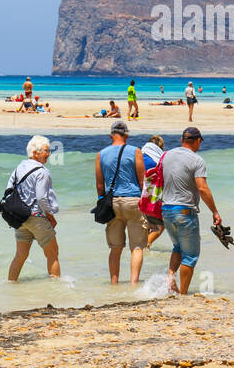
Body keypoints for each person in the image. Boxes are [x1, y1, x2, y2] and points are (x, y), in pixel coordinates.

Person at [159, 126, 223, 295]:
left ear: (182, 140)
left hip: (165, 209)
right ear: (198, 141)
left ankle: (170, 280)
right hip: (185, 211)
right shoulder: (197, 160)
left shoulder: (166, 156)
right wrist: (215, 211)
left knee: (177, 247)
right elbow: (202, 189)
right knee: (191, 255)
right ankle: (183, 294)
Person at [95, 120, 148, 284]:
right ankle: (133, 283)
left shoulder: (101, 154)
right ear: (126, 135)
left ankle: (114, 282)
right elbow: (142, 181)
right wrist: (148, 202)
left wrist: (102, 201)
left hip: (112, 203)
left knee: (115, 248)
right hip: (133, 201)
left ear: (111, 135)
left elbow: (99, 184)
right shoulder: (135, 151)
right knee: (137, 247)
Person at [6, 135, 61, 281]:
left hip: (20, 218)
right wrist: (50, 217)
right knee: (53, 253)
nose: (49, 154)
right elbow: (41, 198)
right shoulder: (41, 171)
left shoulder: (18, 168)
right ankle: (57, 289)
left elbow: (8, 190)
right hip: (37, 218)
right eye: (46, 151)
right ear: (35, 153)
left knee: (20, 256)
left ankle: (11, 286)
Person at [139, 134, 166, 247]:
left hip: (137, 197)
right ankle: (146, 246)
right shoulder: (160, 160)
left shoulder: (139, 156)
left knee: (144, 227)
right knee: (160, 226)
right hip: (153, 198)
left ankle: (140, 250)